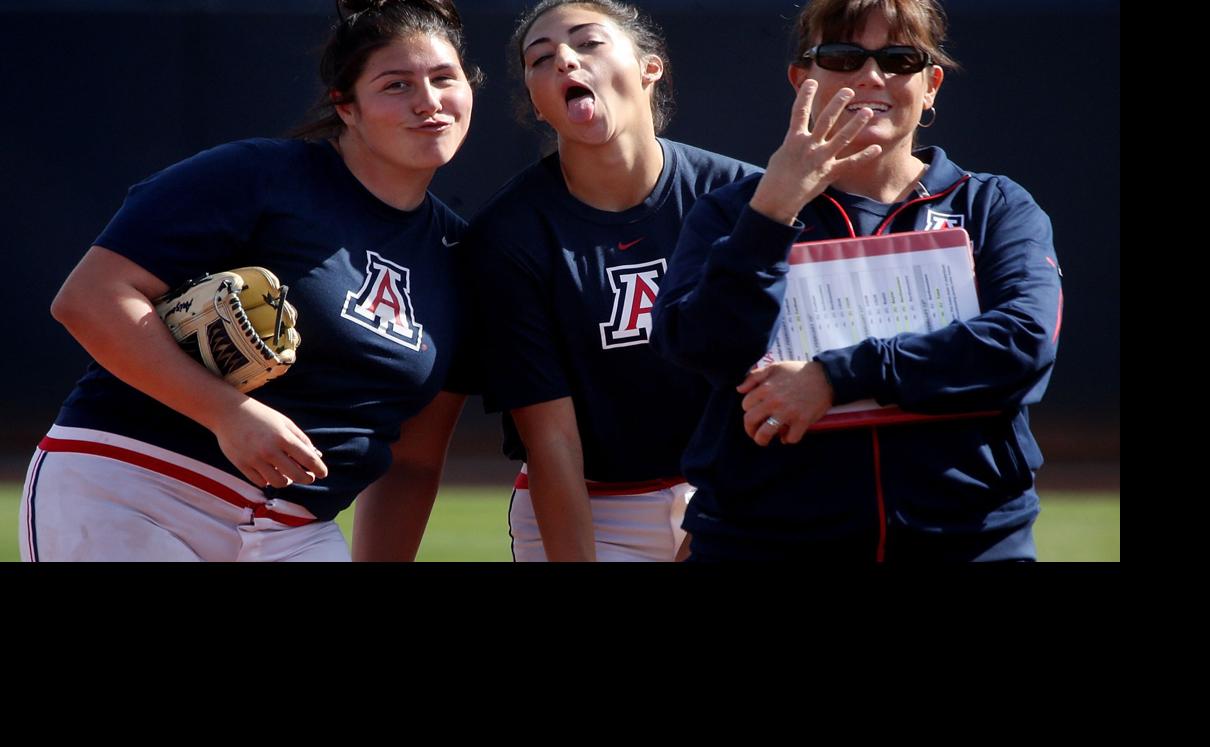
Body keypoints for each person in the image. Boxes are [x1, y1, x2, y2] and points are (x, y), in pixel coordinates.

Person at [19, 0, 480, 562]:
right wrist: (225, 411)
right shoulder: (259, 177)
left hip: (294, 529)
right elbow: (89, 299)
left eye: (443, 79)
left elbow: (412, 462)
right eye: (395, 85)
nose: (428, 102)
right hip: (133, 483)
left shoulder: (463, 258)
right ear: (347, 106)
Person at [654, 0, 1063, 562]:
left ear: (931, 85)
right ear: (803, 79)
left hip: (966, 540)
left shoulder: (993, 206)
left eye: (899, 58)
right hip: (767, 541)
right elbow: (701, 348)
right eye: (844, 56)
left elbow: (1022, 344)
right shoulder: (734, 213)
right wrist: (771, 215)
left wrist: (834, 378)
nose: (872, 76)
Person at [460, 0, 757, 562]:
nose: (566, 61)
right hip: (596, 511)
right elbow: (552, 443)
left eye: (589, 42)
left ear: (650, 66)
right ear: (537, 103)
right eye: (540, 59)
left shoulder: (740, 199)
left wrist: (716, 521)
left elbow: (766, 380)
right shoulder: (508, 235)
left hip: (736, 494)